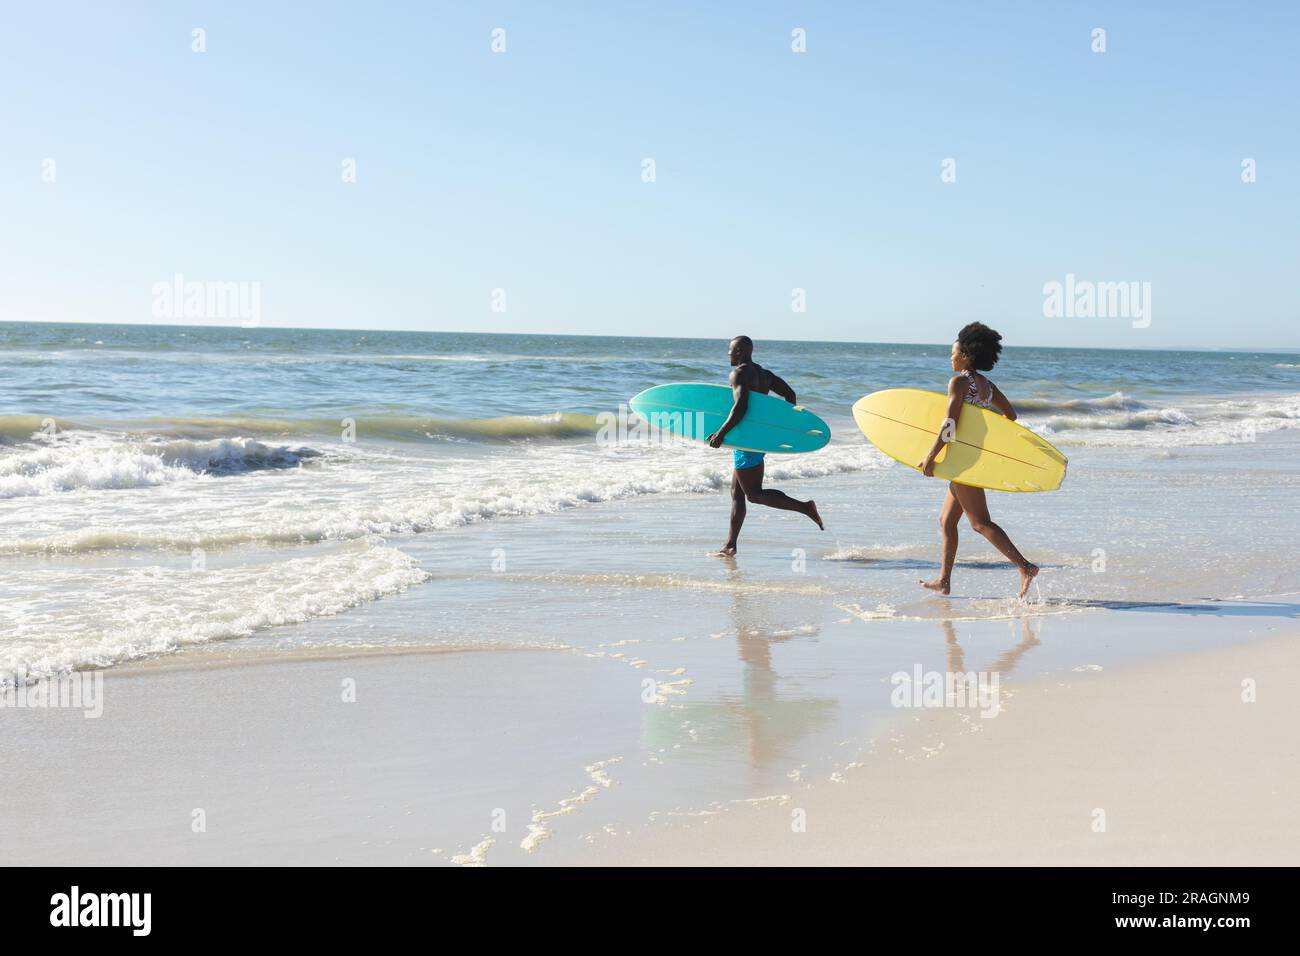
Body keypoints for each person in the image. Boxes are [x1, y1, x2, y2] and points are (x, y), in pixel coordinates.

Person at [917, 323, 1039, 599]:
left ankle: (1025, 566)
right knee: (947, 521)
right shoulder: (986, 385)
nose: (951, 357)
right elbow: (1011, 416)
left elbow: (950, 422)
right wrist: (985, 438)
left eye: (953, 353)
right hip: (972, 457)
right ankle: (944, 581)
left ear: (966, 355)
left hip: (961, 461)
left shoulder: (959, 382)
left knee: (980, 523)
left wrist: (930, 455)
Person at [707, 336, 823, 555]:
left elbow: (740, 407)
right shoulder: (764, 374)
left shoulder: (739, 374)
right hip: (757, 438)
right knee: (737, 494)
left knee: (753, 494)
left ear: (740, 350)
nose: (728, 354)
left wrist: (721, 434)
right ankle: (730, 546)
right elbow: (790, 395)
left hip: (746, 440)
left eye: (730, 350)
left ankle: (805, 507)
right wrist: (781, 425)